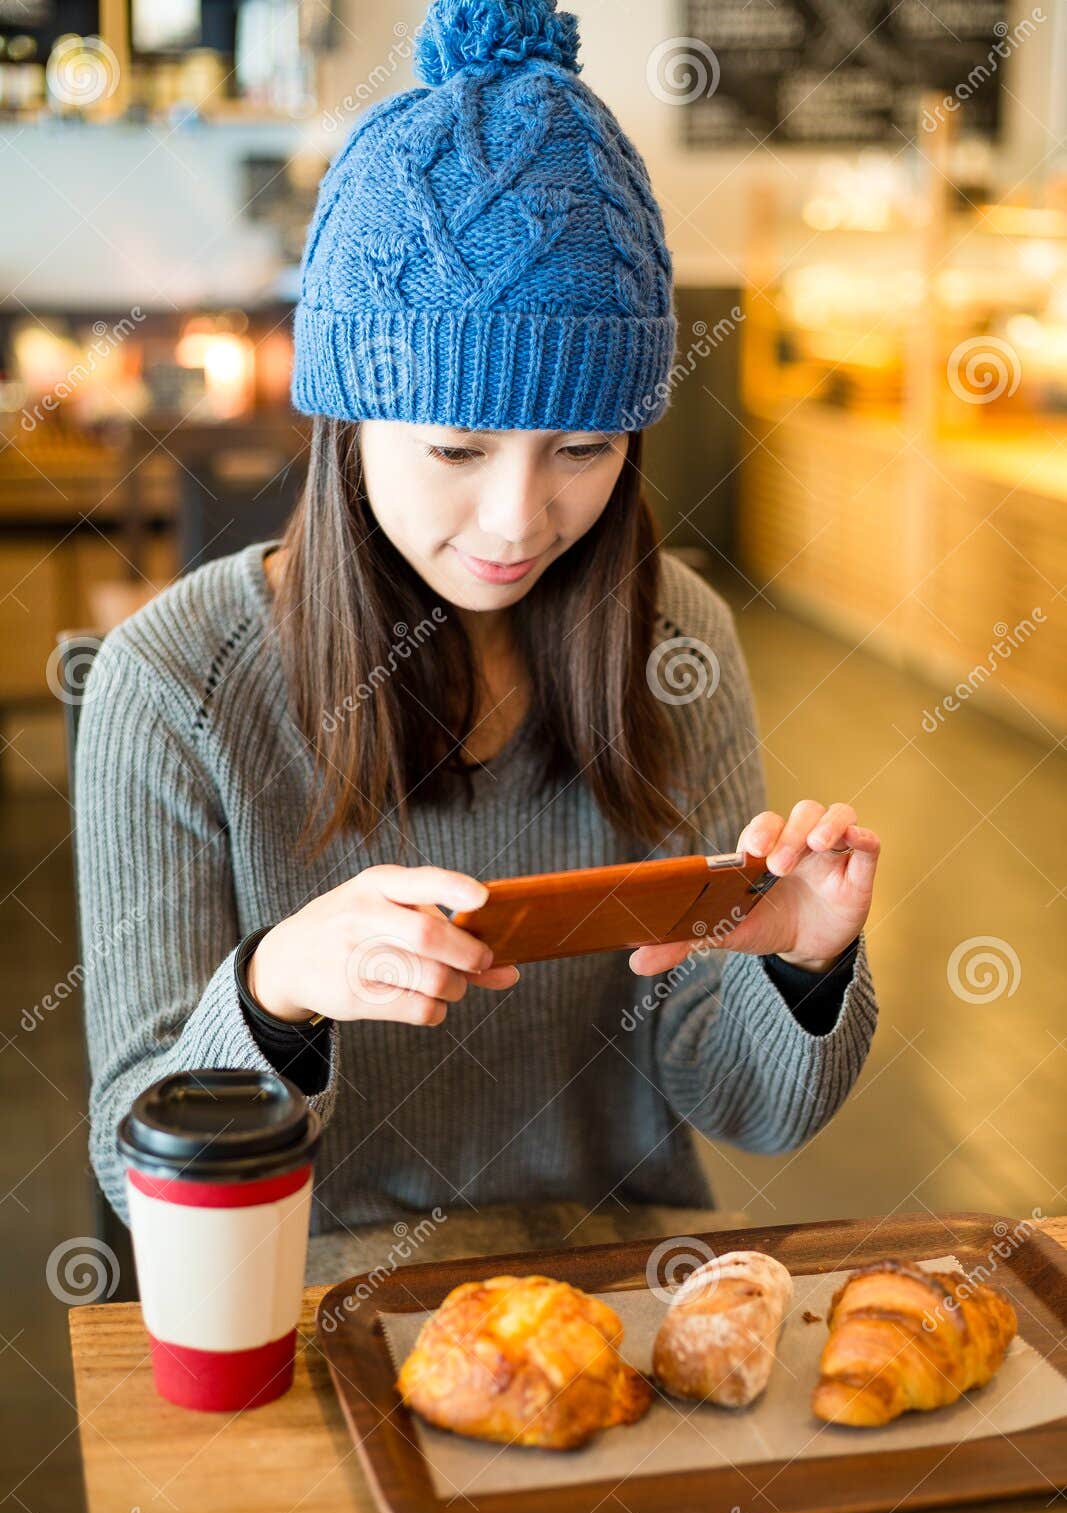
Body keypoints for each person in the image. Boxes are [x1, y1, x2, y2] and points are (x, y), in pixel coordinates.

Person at [76, 0, 879, 1274]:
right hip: (302, 1294)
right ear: (348, 425)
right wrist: (276, 984)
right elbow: (136, 1166)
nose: (519, 518)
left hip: (613, 1286)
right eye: (454, 449)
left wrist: (805, 964)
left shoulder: (677, 638)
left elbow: (741, 1104)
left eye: (582, 448)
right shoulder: (172, 682)